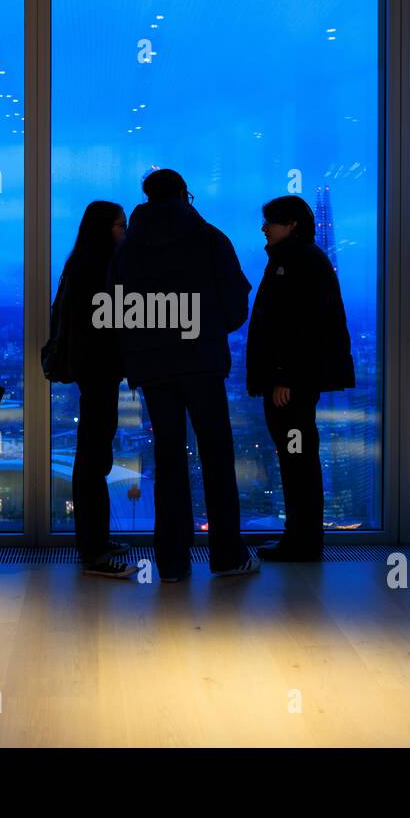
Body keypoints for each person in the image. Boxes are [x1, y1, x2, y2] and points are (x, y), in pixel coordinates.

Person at [109, 168, 259, 581]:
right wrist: (207, 329)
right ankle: (228, 555)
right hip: (202, 362)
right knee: (216, 456)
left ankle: (172, 562)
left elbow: (116, 307)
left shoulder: (129, 250)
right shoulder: (210, 238)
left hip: (153, 368)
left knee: (169, 460)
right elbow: (235, 303)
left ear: (146, 197)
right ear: (183, 194)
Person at [245, 195, 355, 561]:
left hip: (290, 387)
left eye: (271, 222)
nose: (264, 228)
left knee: (297, 458)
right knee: (297, 458)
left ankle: (302, 540)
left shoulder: (300, 262)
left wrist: (284, 377)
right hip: (292, 383)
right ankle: (301, 538)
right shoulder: (299, 259)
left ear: (291, 225)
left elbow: (303, 328)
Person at [49, 201, 136, 578]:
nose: (125, 232)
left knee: (93, 456)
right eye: (120, 226)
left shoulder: (80, 263)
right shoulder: (100, 267)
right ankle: (94, 551)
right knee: (93, 459)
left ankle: (94, 543)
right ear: (106, 229)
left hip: (92, 371)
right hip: (99, 370)